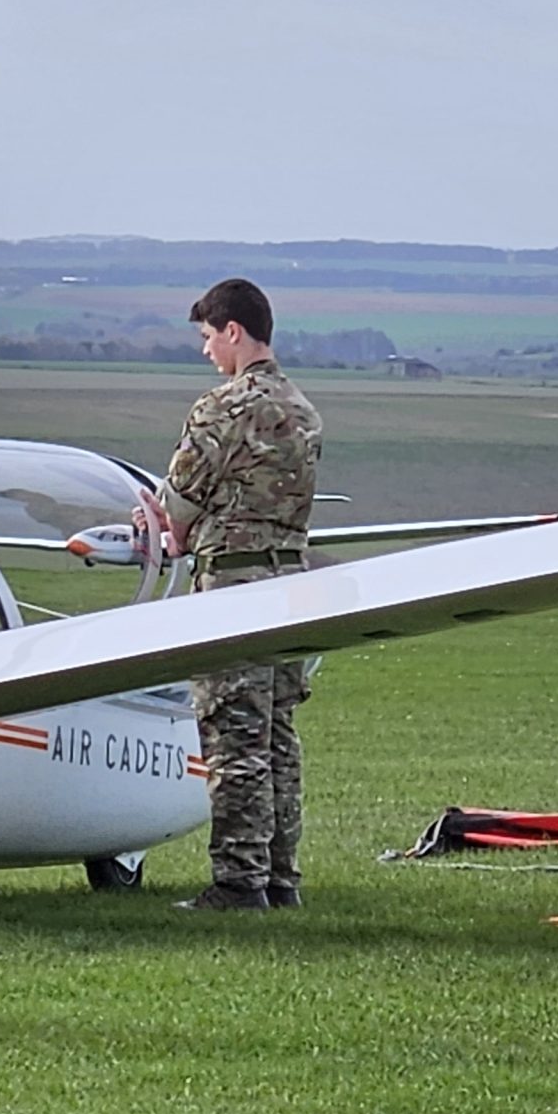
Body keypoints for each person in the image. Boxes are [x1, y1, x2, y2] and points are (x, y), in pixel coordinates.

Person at [140, 277, 322, 911]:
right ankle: (281, 877)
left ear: (233, 332)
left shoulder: (221, 408)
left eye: (208, 337)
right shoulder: (303, 410)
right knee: (276, 738)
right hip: (290, 584)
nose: (206, 351)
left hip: (233, 585)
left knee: (232, 738)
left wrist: (162, 525)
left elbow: (180, 510)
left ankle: (238, 883)